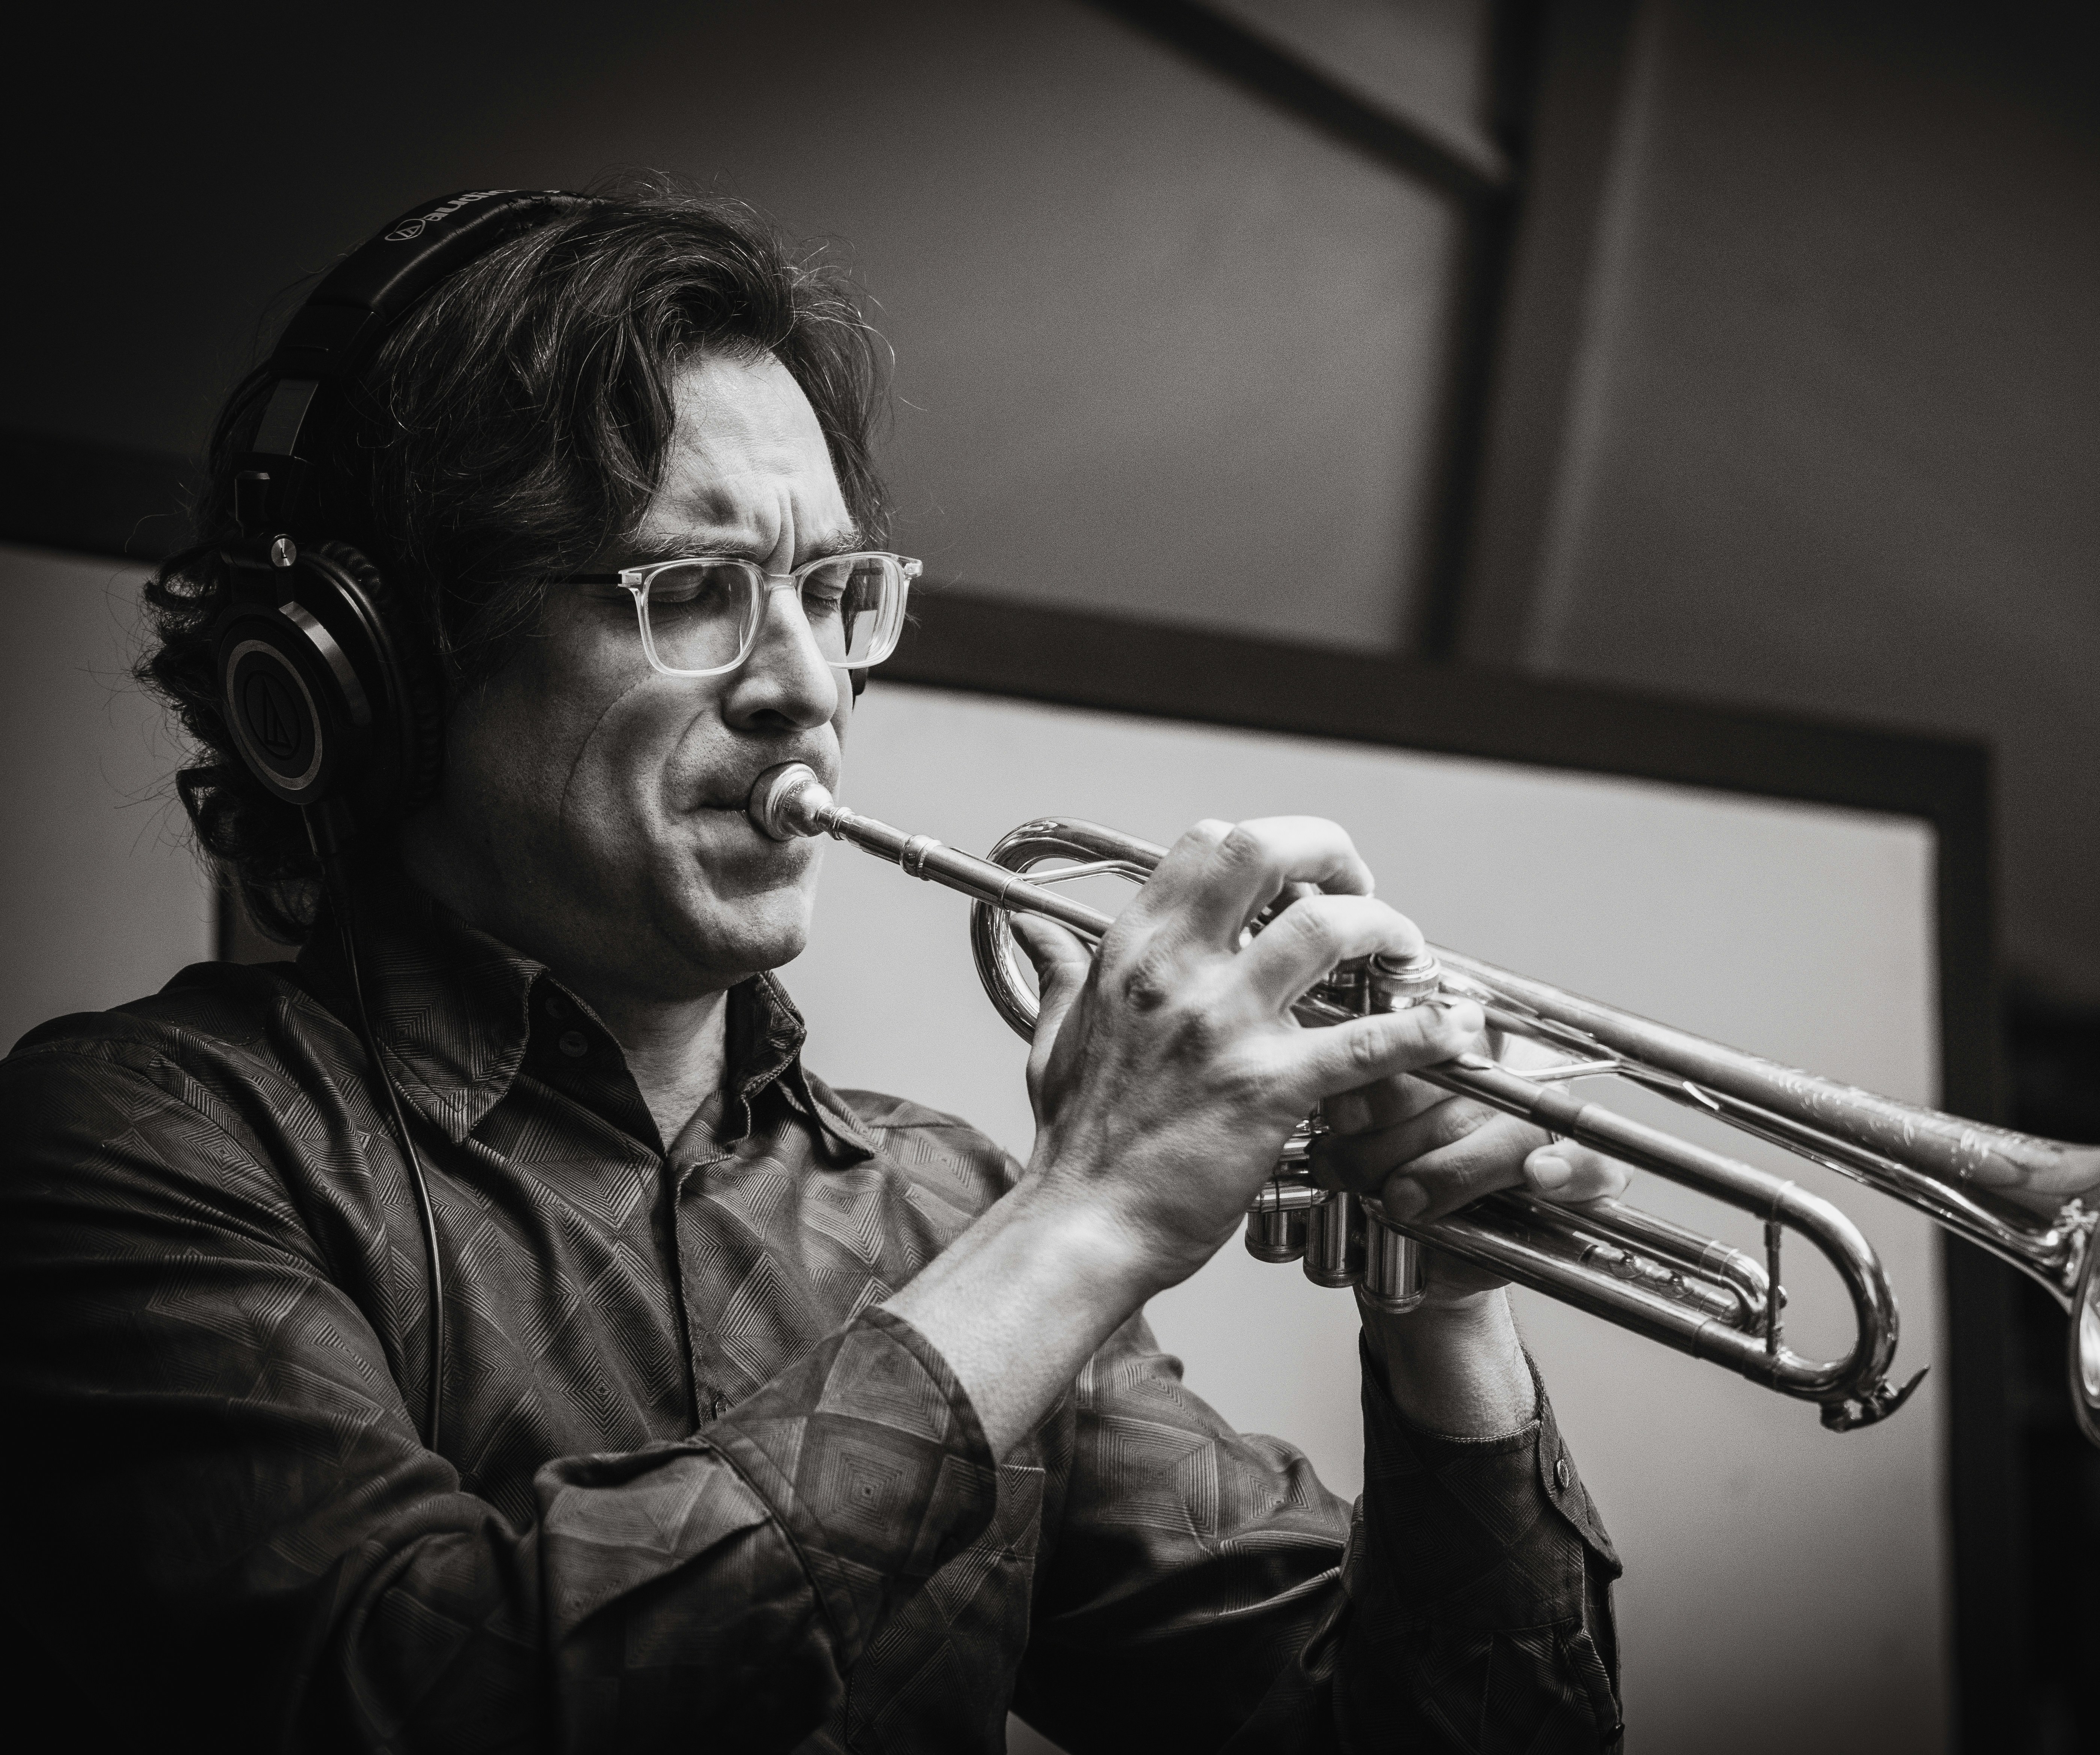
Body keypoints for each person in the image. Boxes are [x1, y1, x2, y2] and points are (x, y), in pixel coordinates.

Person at [0, 187, 1627, 1753]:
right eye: (692, 592)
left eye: (831, 593)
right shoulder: (139, 1148)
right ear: (398, 668)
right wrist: (1090, 1218)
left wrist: (1449, 1296)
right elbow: (443, 1697)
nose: (804, 687)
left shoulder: (938, 1208)